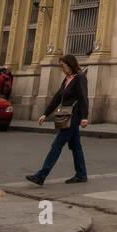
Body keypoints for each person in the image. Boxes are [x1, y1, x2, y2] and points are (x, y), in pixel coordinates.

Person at [26, 55, 89, 185]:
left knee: (57, 145)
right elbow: (57, 97)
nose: (62, 68)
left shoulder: (80, 77)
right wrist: (45, 114)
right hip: (67, 115)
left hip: (74, 116)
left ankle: (41, 175)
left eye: (63, 66)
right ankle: (81, 174)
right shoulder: (67, 79)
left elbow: (84, 97)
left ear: (70, 65)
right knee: (75, 146)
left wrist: (85, 117)